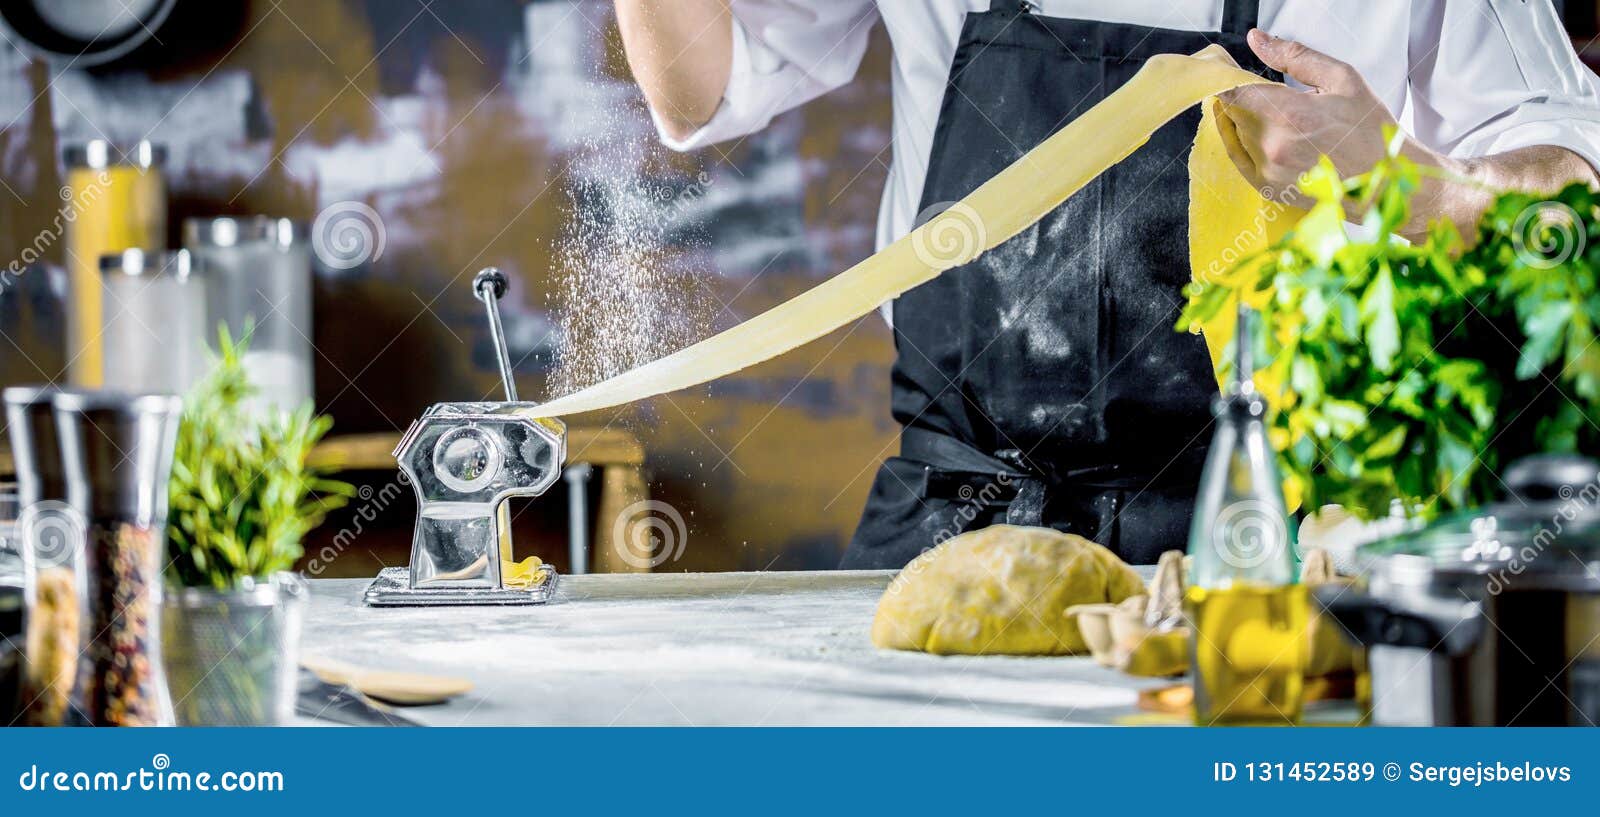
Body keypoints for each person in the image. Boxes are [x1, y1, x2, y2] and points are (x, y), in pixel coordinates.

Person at [614, 0, 1600, 567]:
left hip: (1271, 526)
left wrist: (1398, 180)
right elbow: (703, 86)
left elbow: (1572, 185)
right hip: (960, 518)